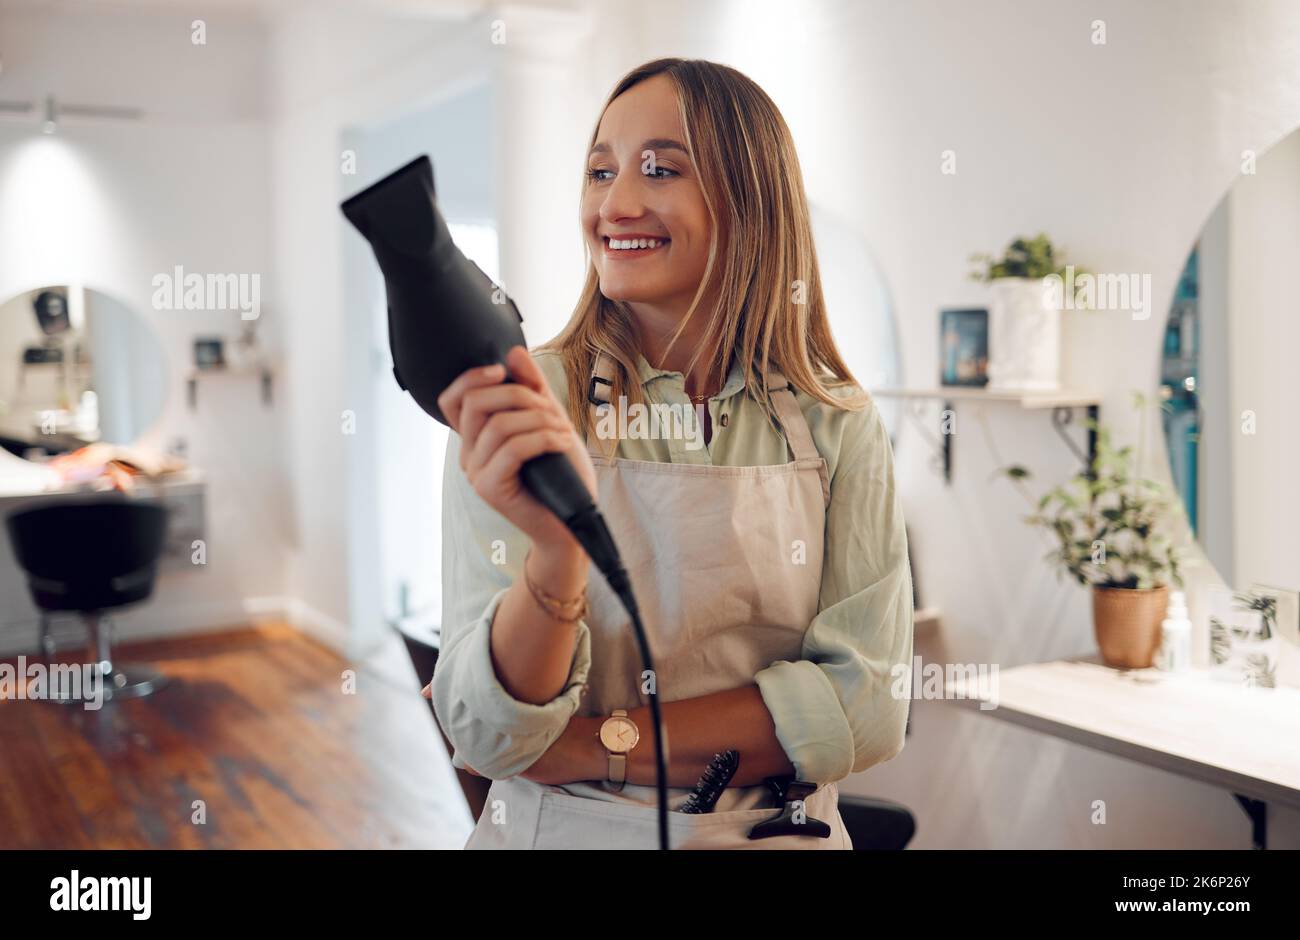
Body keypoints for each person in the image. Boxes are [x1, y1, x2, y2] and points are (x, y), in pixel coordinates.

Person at [424, 57, 914, 849]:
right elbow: (493, 737)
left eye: (660, 169)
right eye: (598, 170)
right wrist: (556, 552)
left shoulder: (837, 424)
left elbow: (870, 709)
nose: (614, 205)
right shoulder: (527, 405)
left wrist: (597, 744)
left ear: (750, 199)